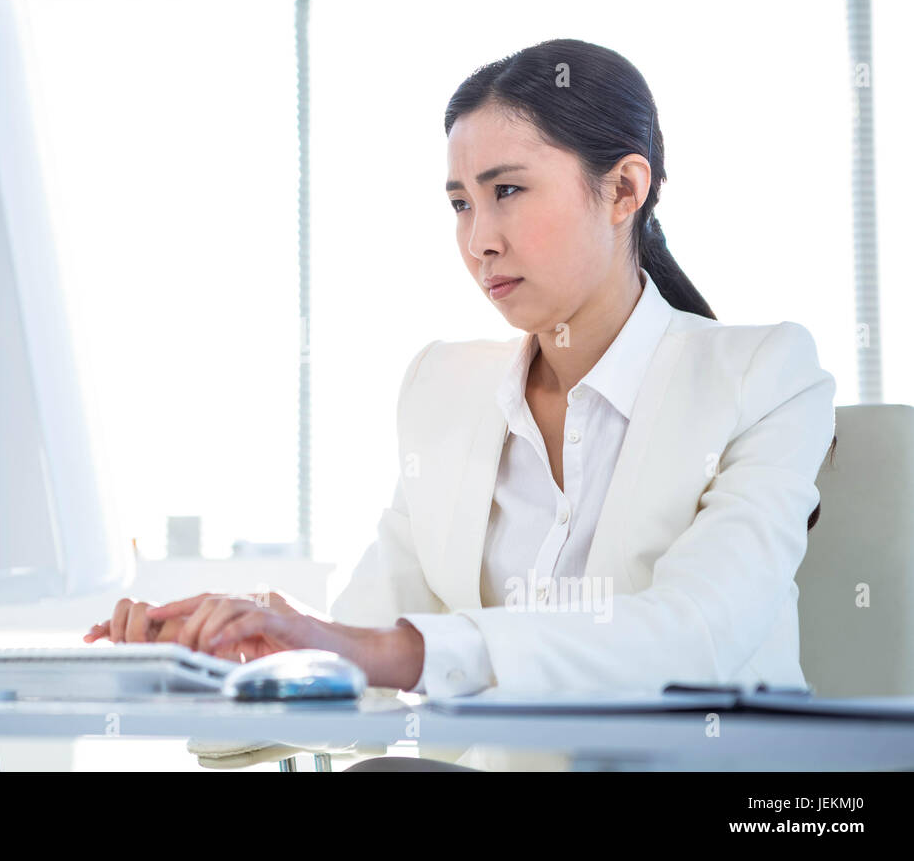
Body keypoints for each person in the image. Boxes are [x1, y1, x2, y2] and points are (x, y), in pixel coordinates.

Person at [83, 38, 839, 770]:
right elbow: (367, 681)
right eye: (459, 203)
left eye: (507, 191)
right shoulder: (442, 390)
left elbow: (694, 637)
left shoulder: (765, 373)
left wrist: (388, 651)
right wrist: (235, 663)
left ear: (623, 190)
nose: (479, 240)